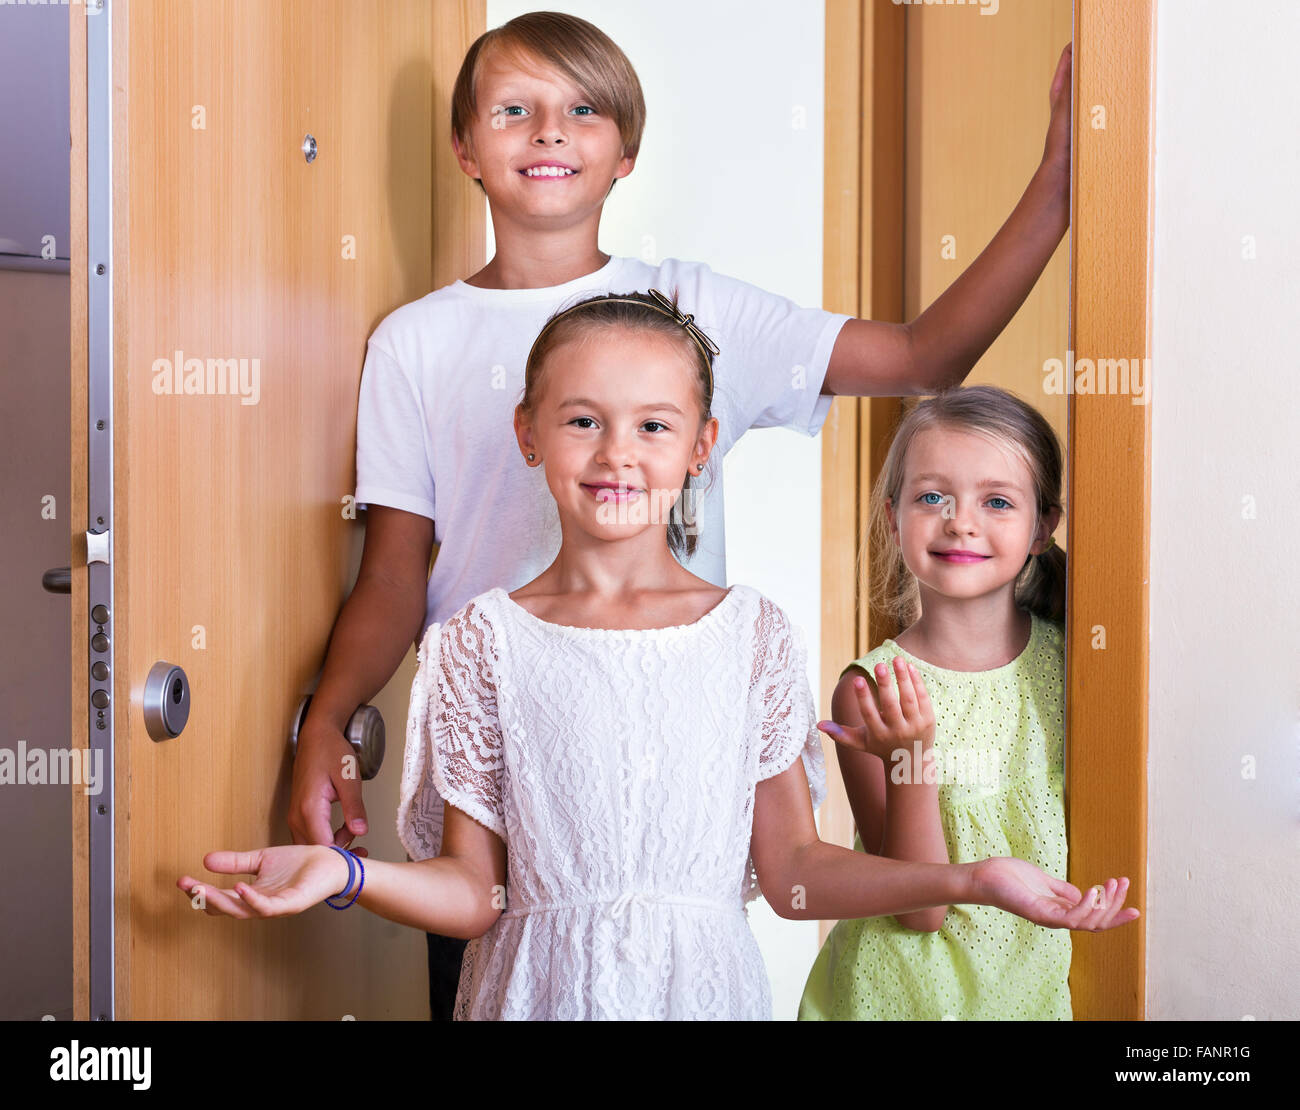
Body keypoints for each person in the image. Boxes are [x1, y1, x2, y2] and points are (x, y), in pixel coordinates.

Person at [285, 10, 1080, 1019]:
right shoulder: (414, 342)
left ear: (626, 151)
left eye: (581, 110)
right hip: (511, 787)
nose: (548, 133)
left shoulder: (689, 310)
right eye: (513, 110)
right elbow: (394, 574)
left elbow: (926, 359)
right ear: (463, 147)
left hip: (665, 794)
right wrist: (328, 726)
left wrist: (1055, 195)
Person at [182, 297, 1137, 1021]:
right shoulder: (477, 642)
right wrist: (342, 876)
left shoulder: (752, 634)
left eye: (653, 425)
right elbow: (475, 896)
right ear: (528, 434)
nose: (616, 454)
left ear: (701, 448)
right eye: (582, 420)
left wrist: (969, 879)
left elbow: (796, 875)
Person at [799, 385, 1082, 1020]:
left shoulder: (1074, 668)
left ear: (1042, 528)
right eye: (932, 497)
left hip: (1027, 997)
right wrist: (912, 758)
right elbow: (919, 908)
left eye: (997, 501)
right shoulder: (872, 690)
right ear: (893, 514)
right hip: (899, 997)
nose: (960, 521)